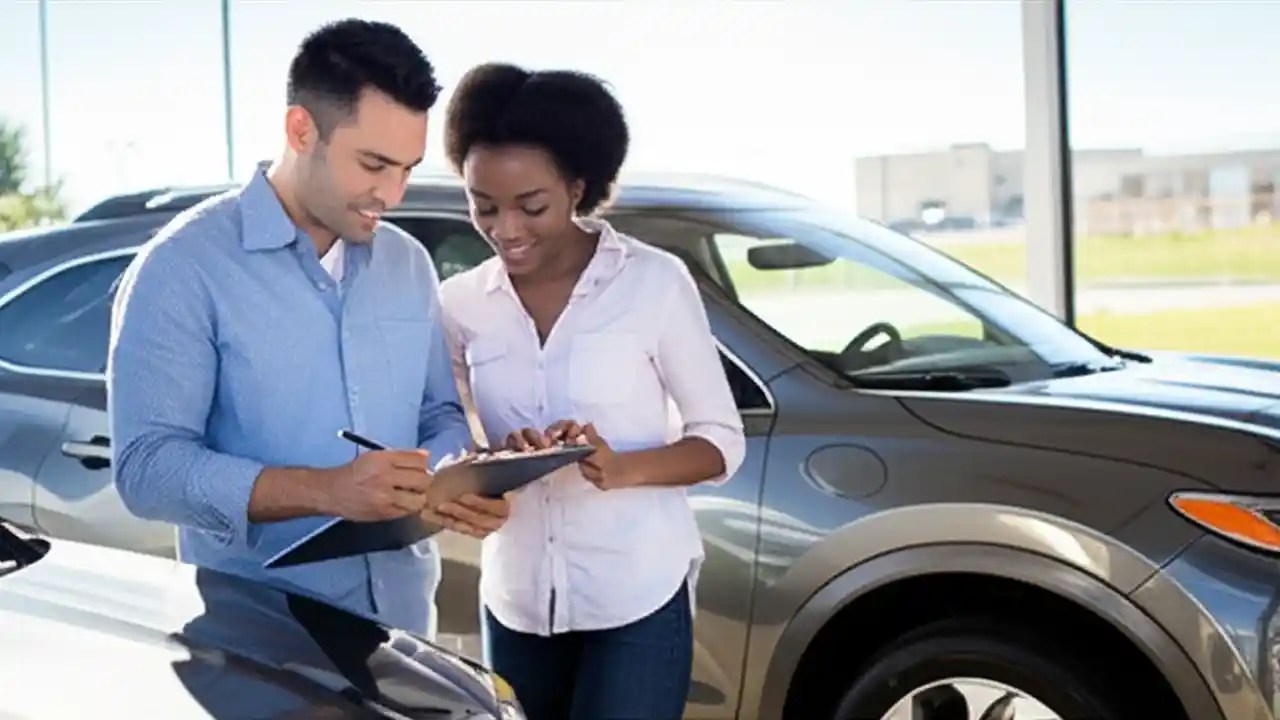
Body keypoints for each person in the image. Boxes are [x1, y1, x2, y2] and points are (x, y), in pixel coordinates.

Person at [107, 18, 508, 638]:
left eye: (407, 168)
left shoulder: (409, 265)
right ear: (301, 130)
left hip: (406, 630)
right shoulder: (183, 267)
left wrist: (454, 479)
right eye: (374, 163)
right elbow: (147, 470)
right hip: (262, 646)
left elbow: (438, 415)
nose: (393, 194)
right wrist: (327, 491)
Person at [438, 62, 747, 720]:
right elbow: (450, 437)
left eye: (532, 206)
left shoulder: (653, 283)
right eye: (483, 205)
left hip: (636, 592)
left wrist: (625, 465)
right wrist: (489, 460)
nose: (505, 228)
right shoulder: (459, 306)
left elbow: (721, 441)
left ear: (578, 186)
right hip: (517, 600)